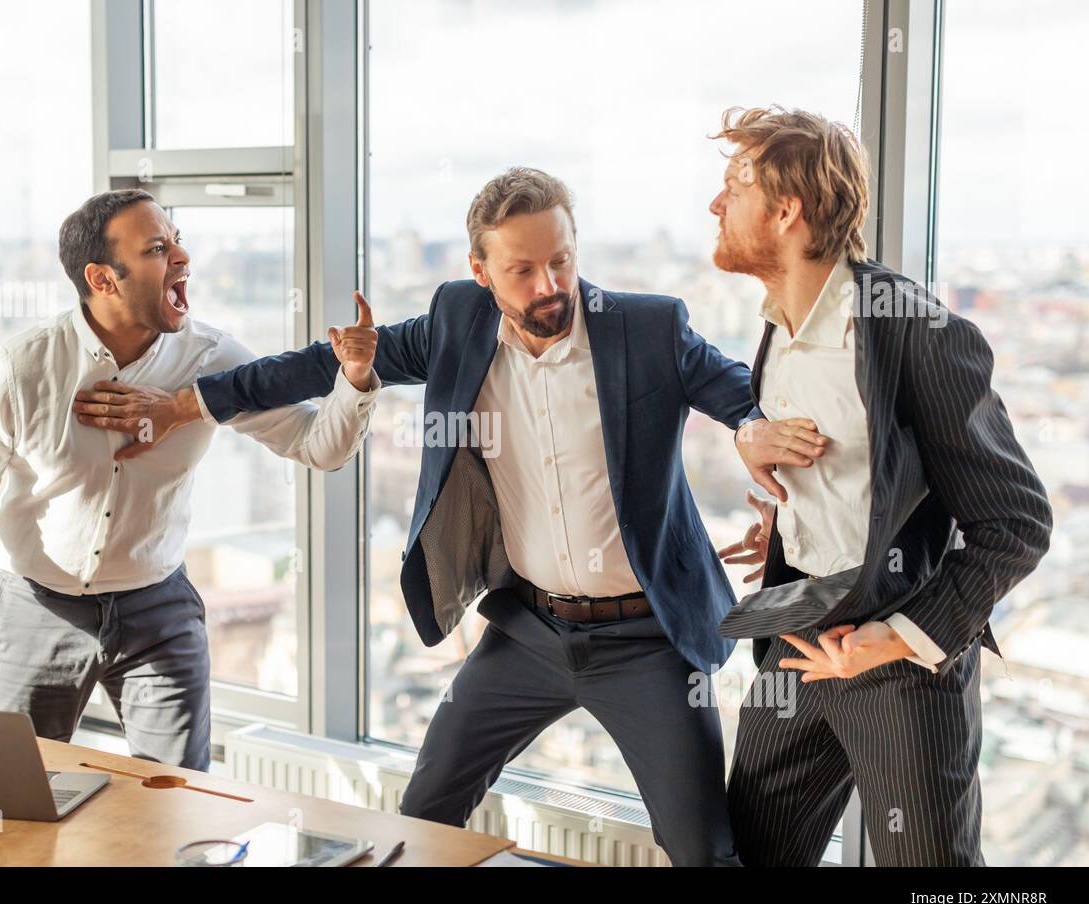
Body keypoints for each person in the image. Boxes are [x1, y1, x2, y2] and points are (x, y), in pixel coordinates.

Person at [72, 168, 814, 865]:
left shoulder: (647, 327)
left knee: (702, 849)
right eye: (522, 270)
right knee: (424, 813)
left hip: (648, 641)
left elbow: (743, 395)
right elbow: (314, 364)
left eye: (561, 261)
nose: (550, 285)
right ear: (481, 270)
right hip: (530, 632)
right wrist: (186, 402)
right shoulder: (456, 321)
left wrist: (753, 432)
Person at [0, 189, 381, 772]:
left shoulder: (213, 360)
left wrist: (355, 380)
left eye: (178, 241)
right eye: (157, 248)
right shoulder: (20, 369)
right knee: (7, 791)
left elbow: (317, 445)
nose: (182, 258)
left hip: (158, 611)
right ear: (103, 278)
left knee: (179, 798)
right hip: (33, 607)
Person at [710, 107, 1053, 865]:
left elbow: (1018, 525)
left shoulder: (915, 330)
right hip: (797, 634)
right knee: (747, 852)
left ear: (787, 210)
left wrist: (891, 640)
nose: (714, 206)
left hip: (897, 663)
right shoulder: (778, 326)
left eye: (731, 187)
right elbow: (862, 476)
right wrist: (787, 514)